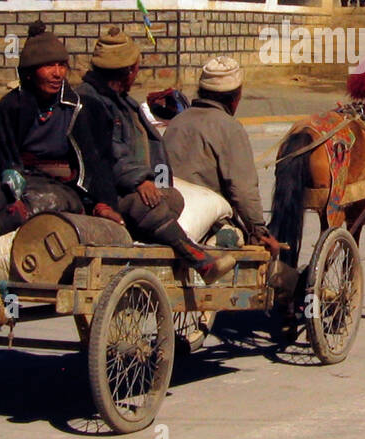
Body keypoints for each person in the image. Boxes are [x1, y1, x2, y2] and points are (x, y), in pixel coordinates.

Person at [0, 21, 123, 284]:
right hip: (18, 177)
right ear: (29, 72)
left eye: (61, 66)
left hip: (64, 188)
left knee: (41, 201)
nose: (57, 73)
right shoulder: (12, 105)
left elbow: (99, 161)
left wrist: (104, 203)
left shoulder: (82, 108)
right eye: (49, 66)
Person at [77, 27, 236, 282]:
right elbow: (106, 151)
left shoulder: (121, 101)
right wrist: (139, 180)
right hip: (100, 190)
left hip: (123, 184)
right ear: (128, 71)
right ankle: (198, 259)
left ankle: (155, 244)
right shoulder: (92, 101)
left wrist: (154, 181)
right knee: (148, 204)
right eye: (137, 67)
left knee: (171, 200)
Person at [163, 56, 282, 258]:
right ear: (236, 98)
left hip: (168, 218)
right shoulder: (230, 128)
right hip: (207, 226)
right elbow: (243, 190)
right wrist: (258, 230)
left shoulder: (176, 123)